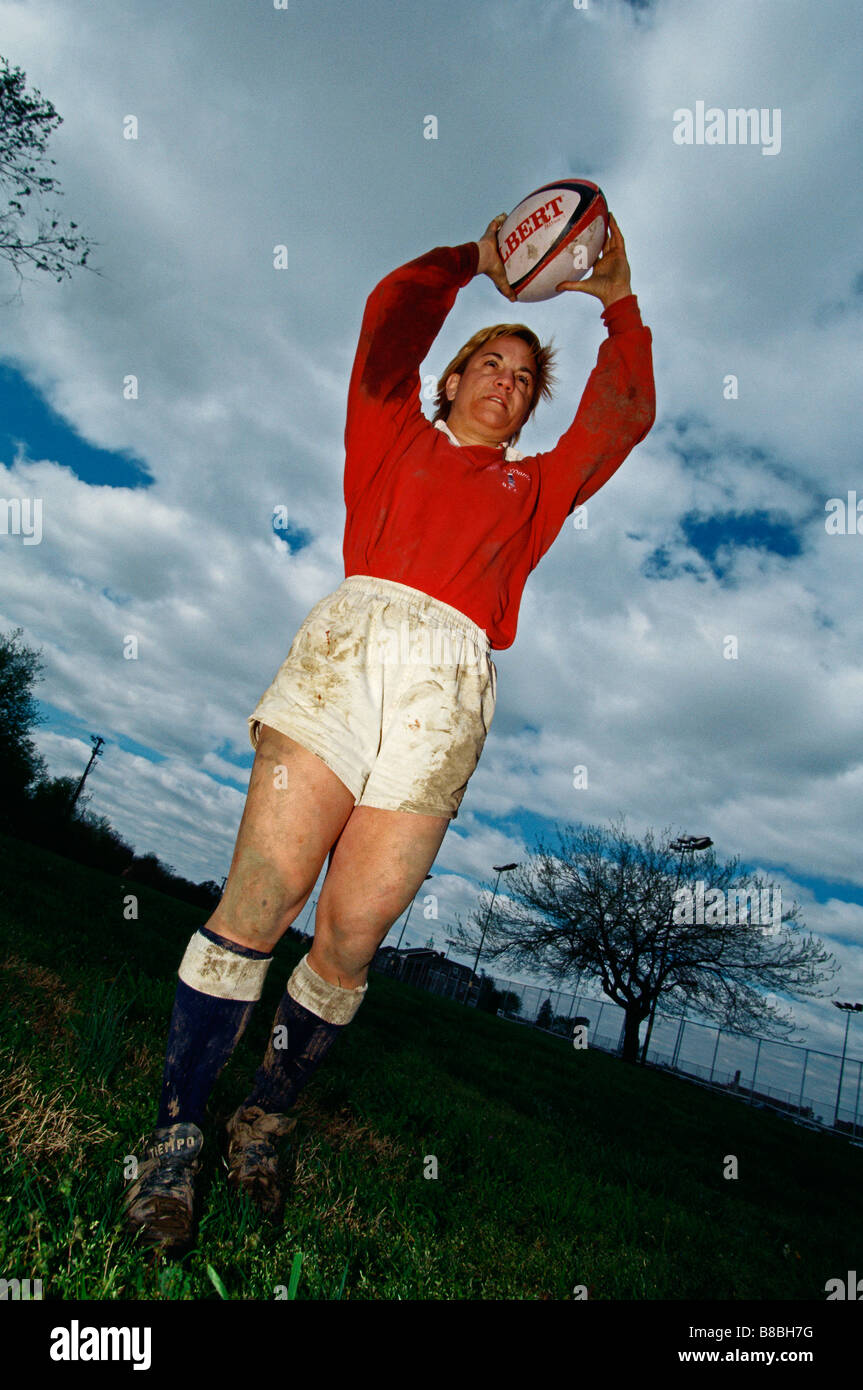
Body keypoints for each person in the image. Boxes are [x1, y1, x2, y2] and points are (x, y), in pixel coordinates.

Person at [122, 210, 655, 1254]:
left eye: (522, 378)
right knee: (262, 897)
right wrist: (476, 260)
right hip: (346, 650)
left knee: (352, 936)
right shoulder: (391, 432)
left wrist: (614, 299)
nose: (504, 381)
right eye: (487, 364)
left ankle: (261, 1122)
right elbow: (387, 321)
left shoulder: (535, 487)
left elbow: (620, 416)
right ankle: (174, 1141)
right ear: (450, 381)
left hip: (448, 684)